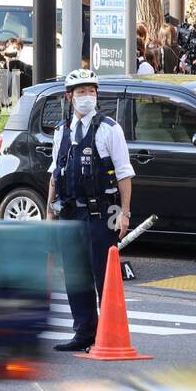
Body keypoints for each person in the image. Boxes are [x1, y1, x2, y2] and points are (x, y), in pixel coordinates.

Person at [45, 69, 135, 352]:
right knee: (75, 274)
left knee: (102, 274)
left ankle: (106, 334)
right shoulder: (62, 130)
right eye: (81, 92)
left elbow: (124, 174)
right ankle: (83, 332)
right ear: (69, 97)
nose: (87, 97)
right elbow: (54, 173)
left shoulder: (109, 129)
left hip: (102, 212)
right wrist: (49, 212)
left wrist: (125, 212)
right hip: (70, 212)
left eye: (91, 91)